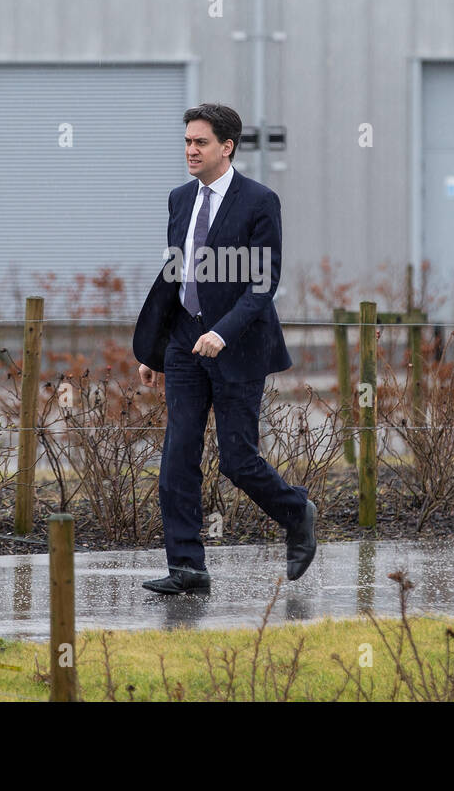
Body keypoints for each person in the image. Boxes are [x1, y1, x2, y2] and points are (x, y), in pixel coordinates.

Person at [132, 103, 316, 595]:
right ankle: (187, 568)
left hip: (237, 347)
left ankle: (296, 512)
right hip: (184, 346)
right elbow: (176, 274)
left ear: (226, 146)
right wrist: (153, 350)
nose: (191, 150)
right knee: (177, 457)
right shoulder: (178, 199)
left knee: (237, 460)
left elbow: (262, 283)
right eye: (187, 141)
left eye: (201, 143)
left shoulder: (259, 200)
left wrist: (223, 332)